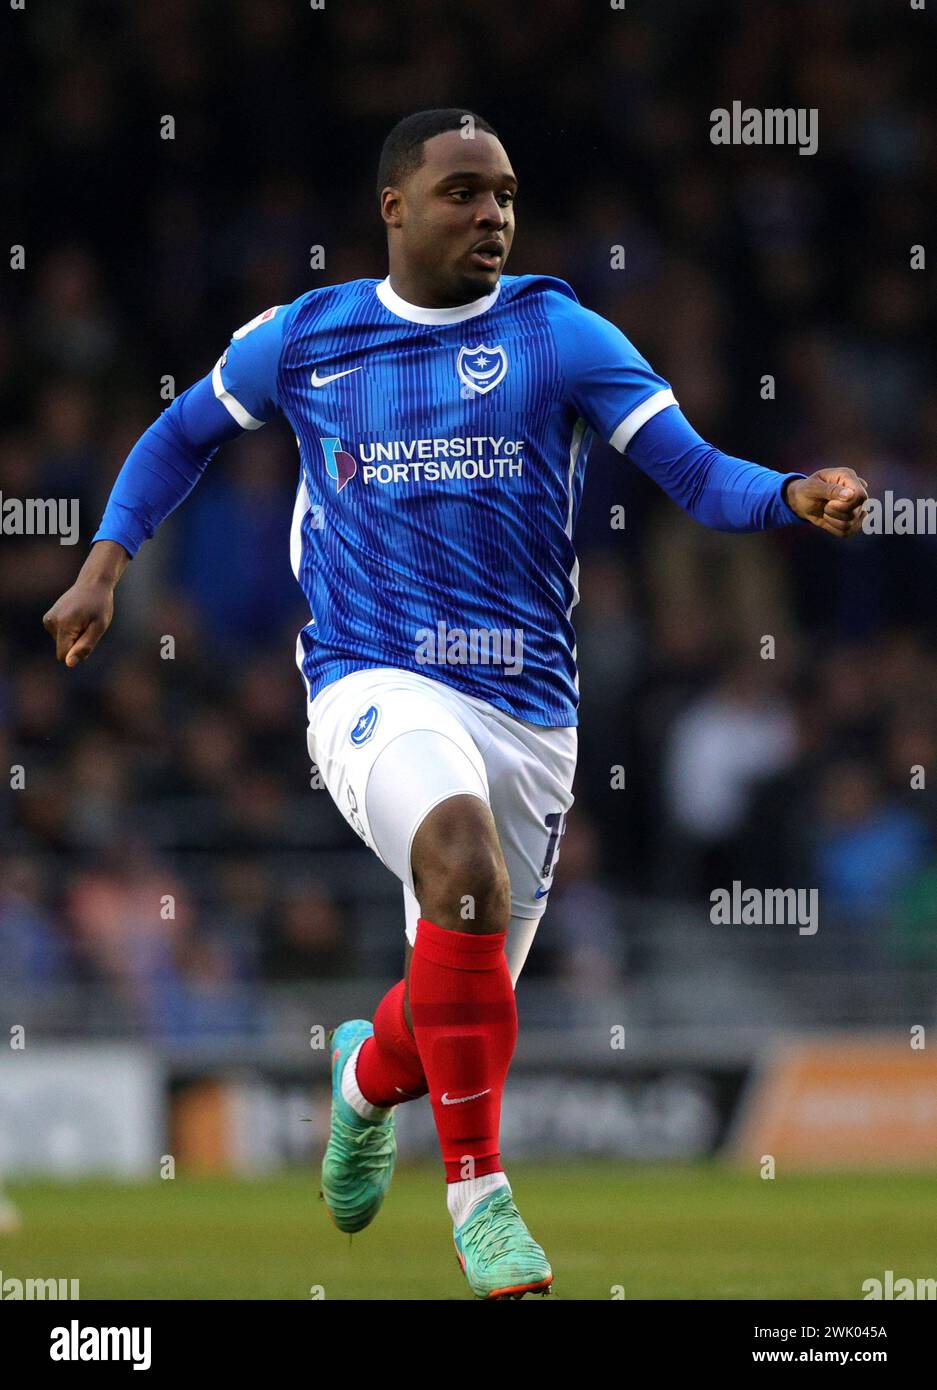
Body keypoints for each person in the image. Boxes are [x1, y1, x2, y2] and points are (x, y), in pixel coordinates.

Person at [43, 108, 868, 1299]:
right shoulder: (306, 337)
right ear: (394, 209)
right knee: (458, 858)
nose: (491, 214)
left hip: (529, 714)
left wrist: (794, 490)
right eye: (463, 193)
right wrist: (103, 563)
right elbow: (180, 432)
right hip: (369, 681)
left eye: (505, 195)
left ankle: (362, 1082)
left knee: (449, 994)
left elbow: (695, 473)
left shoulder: (560, 334)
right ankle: (481, 1201)